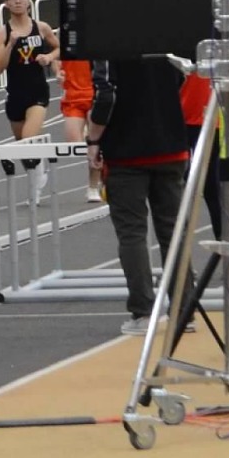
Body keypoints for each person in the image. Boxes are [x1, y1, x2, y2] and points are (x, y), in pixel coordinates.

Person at [88, 48, 190, 335]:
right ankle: (185, 310)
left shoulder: (108, 41)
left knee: (132, 233)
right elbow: (182, 74)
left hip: (127, 151)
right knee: (173, 231)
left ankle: (144, 312)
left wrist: (93, 139)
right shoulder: (163, 33)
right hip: (171, 142)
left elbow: (106, 93)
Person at [0, 0, 58, 142]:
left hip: (38, 92)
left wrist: (49, 58)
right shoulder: (2, 33)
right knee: (22, 148)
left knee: (27, 140)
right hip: (15, 94)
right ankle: (43, 159)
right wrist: (10, 45)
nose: (18, 2)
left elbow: (59, 48)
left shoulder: (42, 27)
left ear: (28, 2)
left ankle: (39, 155)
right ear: (7, 3)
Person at [59, 56, 102, 203]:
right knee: (74, 145)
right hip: (73, 96)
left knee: (96, 143)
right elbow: (56, 53)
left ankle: (93, 187)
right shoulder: (68, 35)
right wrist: (57, 70)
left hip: (95, 93)